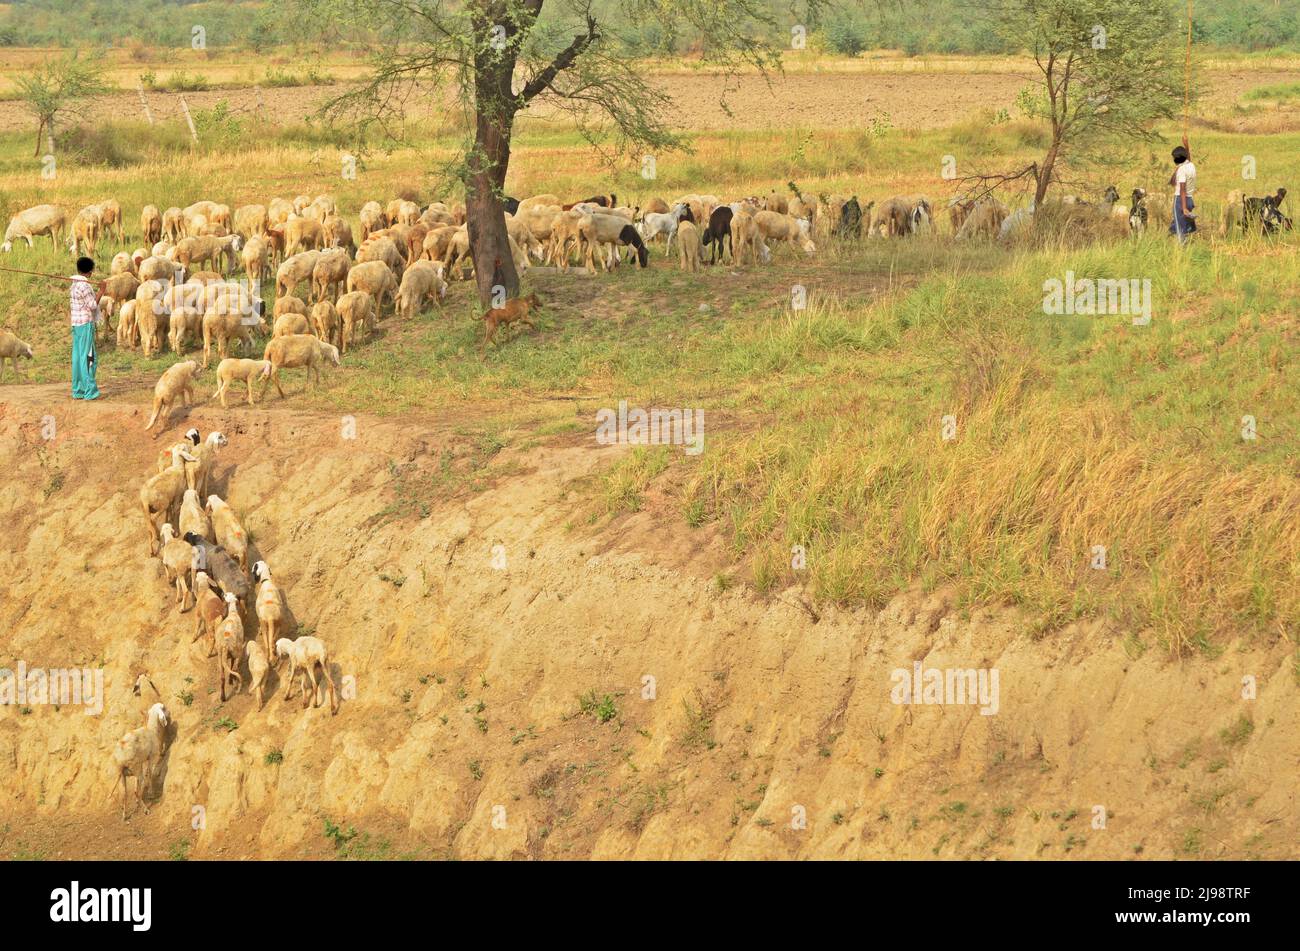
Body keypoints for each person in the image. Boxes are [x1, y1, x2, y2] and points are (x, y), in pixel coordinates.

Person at [70, 256, 103, 400]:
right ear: (90, 272)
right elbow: (92, 306)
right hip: (85, 324)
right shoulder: (84, 286)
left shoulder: (74, 284)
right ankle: (90, 391)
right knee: (89, 357)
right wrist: (102, 290)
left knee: (77, 357)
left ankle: (78, 390)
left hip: (76, 324)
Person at [1169, 136, 1197, 244]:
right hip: (1190, 199)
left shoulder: (1181, 170)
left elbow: (1182, 189)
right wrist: (1186, 145)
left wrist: (1184, 208)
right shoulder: (1191, 165)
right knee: (1180, 223)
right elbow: (1188, 159)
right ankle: (1172, 236)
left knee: (1179, 225)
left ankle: (1181, 248)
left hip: (1181, 200)